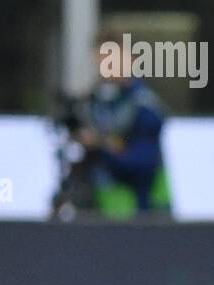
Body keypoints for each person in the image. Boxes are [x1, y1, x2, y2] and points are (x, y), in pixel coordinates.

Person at [73, 30, 170, 217]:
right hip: (105, 212)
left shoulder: (145, 108)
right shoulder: (94, 104)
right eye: (100, 61)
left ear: (130, 60)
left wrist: (99, 145)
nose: (106, 68)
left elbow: (141, 165)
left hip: (144, 214)